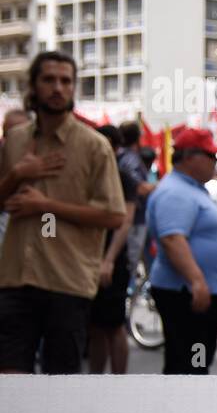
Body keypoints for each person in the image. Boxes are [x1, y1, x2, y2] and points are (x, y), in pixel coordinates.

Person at [0, 52, 126, 374]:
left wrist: (46, 207)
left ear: (74, 87)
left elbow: (114, 215)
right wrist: (17, 175)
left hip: (66, 281)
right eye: (49, 80)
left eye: (66, 81)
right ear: (33, 86)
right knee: (10, 382)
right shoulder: (14, 140)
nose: (58, 88)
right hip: (16, 278)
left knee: (59, 386)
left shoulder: (94, 146)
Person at [146, 127, 217, 375]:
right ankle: (183, 409)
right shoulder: (176, 192)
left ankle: (189, 404)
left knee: (194, 359)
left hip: (196, 291)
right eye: (210, 156)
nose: (215, 162)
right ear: (190, 157)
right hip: (187, 293)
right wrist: (197, 281)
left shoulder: (188, 188)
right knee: (189, 360)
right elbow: (172, 239)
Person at [86, 124, 138, 374]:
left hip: (111, 261)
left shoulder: (123, 178)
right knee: (94, 326)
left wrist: (108, 260)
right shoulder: (87, 174)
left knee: (113, 325)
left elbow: (125, 221)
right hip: (86, 258)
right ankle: (96, 380)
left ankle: (119, 382)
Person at [117, 120, 157, 277]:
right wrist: (158, 186)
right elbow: (139, 188)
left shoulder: (123, 157)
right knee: (130, 261)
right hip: (133, 219)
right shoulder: (130, 159)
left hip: (132, 218)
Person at [0, 106, 33, 250]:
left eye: (19, 134)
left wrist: (48, 236)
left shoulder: (44, 161)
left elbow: (49, 215)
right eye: (9, 134)